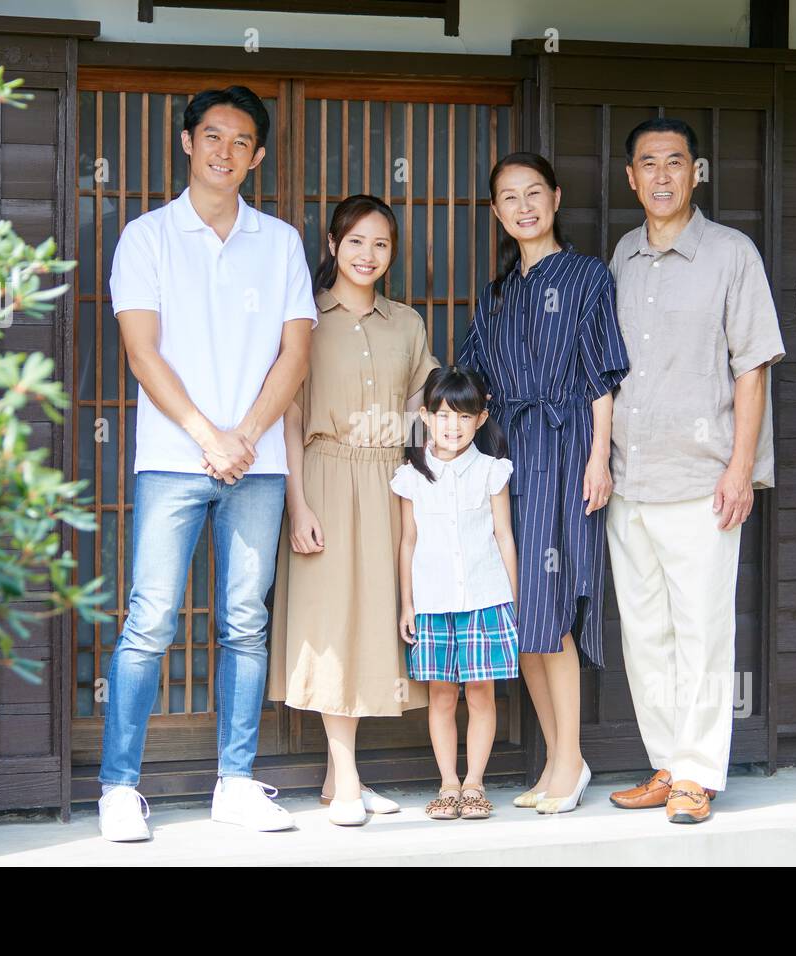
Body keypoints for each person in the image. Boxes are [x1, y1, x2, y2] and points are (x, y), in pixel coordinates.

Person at [96, 85, 316, 841]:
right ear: (187, 142)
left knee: (244, 624)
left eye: (241, 142)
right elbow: (140, 349)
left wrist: (246, 434)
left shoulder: (280, 241)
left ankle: (236, 781)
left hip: (255, 462)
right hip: (171, 458)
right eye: (212, 136)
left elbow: (296, 353)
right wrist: (207, 435)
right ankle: (119, 788)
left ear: (257, 157)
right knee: (150, 620)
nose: (226, 152)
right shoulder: (146, 236)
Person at [603, 117, 785, 824]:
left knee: (703, 631)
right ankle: (669, 764)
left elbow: (753, 366)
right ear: (630, 177)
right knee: (645, 632)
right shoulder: (622, 255)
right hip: (631, 478)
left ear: (696, 171)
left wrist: (742, 468)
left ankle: (700, 773)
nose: (661, 175)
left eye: (674, 162)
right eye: (647, 163)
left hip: (703, 478)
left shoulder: (732, 255)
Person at [457, 152, 630, 814]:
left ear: (556, 199)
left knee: (551, 611)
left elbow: (600, 373)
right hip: (505, 457)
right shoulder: (498, 292)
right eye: (509, 197)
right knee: (519, 611)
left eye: (534, 193)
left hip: (562, 454)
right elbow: (470, 376)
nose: (523, 206)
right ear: (496, 212)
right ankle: (567, 760)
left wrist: (598, 456)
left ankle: (567, 759)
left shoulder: (587, 276)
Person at [268, 195, 440, 827]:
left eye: (382, 244)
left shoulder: (408, 323)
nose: (369, 255)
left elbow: (426, 403)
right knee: (331, 621)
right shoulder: (304, 320)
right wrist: (298, 502)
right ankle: (347, 780)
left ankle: (337, 776)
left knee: (372, 623)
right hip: (326, 475)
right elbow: (287, 416)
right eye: (357, 242)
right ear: (334, 246)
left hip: (389, 478)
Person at [391, 366, 519, 821]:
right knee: (442, 696)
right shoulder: (412, 475)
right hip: (432, 601)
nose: (453, 426)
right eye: (444, 415)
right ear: (426, 417)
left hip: (485, 599)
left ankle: (474, 783)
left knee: (482, 695)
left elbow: (504, 536)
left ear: (481, 420)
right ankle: (447, 783)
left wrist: (514, 599)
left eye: (465, 416)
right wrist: (407, 604)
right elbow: (408, 541)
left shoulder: (491, 471)